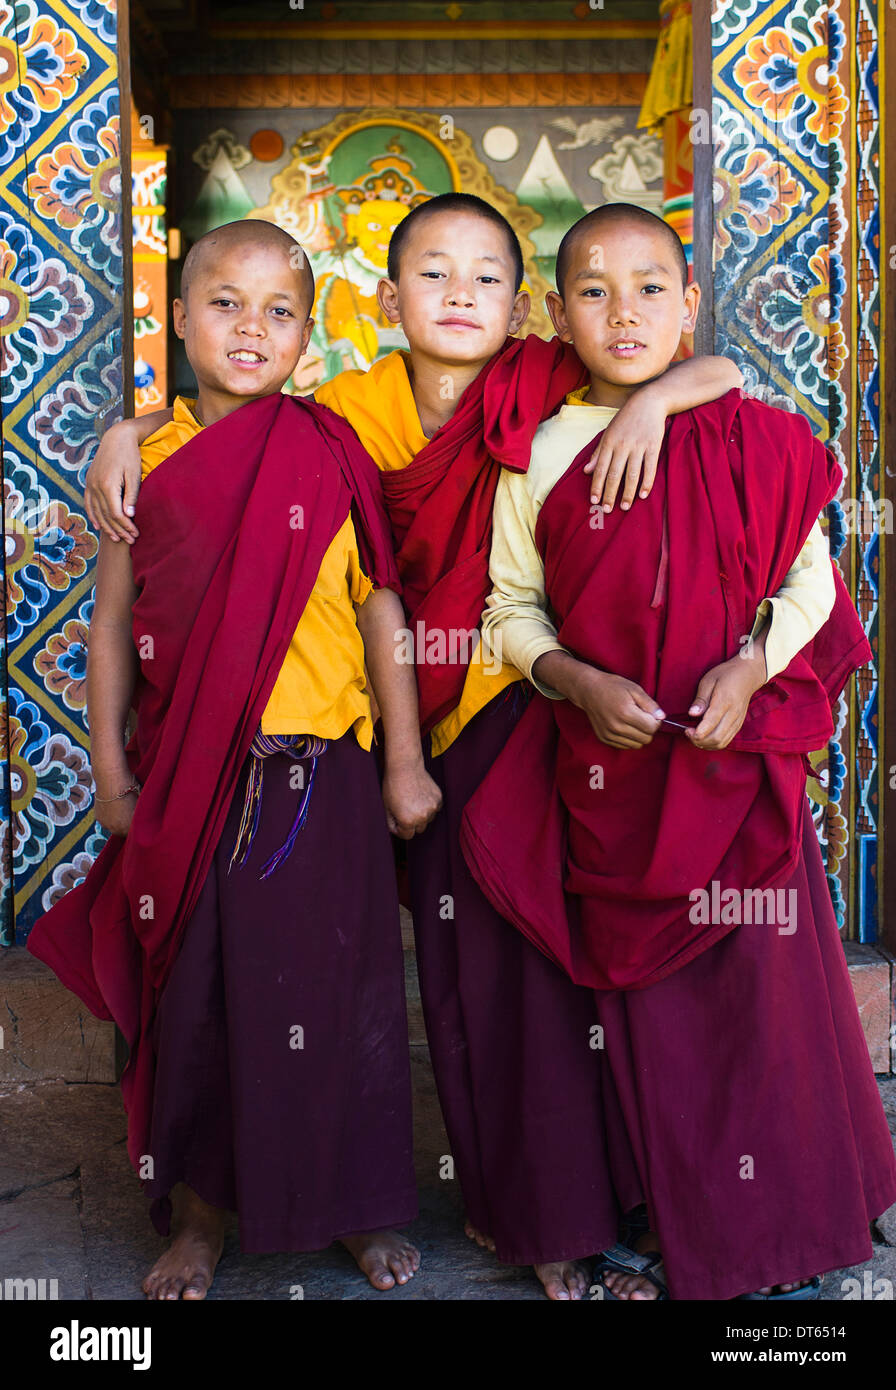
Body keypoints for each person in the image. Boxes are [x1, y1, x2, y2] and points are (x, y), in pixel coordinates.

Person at [84, 196, 744, 1300]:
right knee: (308, 989)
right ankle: (274, 1212)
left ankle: (539, 1209)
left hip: (496, 715)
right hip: (305, 749)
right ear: (384, 301)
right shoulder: (330, 413)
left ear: (522, 300)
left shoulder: (506, 387)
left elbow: (708, 374)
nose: (456, 296)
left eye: (483, 276)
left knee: (457, 984)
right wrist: (131, 424)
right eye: (430, 275)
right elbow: (179, 514)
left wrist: (655, 401)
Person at [461, 203, 896, 1300]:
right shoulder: (538, 451)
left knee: (763, 1008)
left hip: (731, 764)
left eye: (651, 286)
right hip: (610, 778)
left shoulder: (751, 432)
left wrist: (749, 667)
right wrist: (573, 680)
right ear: (554, 313)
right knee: (642, 1025)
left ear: (689, 302)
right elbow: (507, 610)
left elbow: (811, 584)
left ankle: (784, 1230)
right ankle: (666, 1222)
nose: (624, 311)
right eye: (594, 290)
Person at [27, 220, 443, 1300]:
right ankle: (203, 1218)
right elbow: (112, 627)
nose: (250, 327)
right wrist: (112, 778)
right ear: (174, 315)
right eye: (224, 301)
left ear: (312, 330)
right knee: (197, 1000)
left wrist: (404, 760)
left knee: (344, 996)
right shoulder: (149, 459)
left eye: (279, 309)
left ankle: (353, 1208)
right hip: (198, 780)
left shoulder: (330, 444)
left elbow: (381, 609)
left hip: (325, 776)